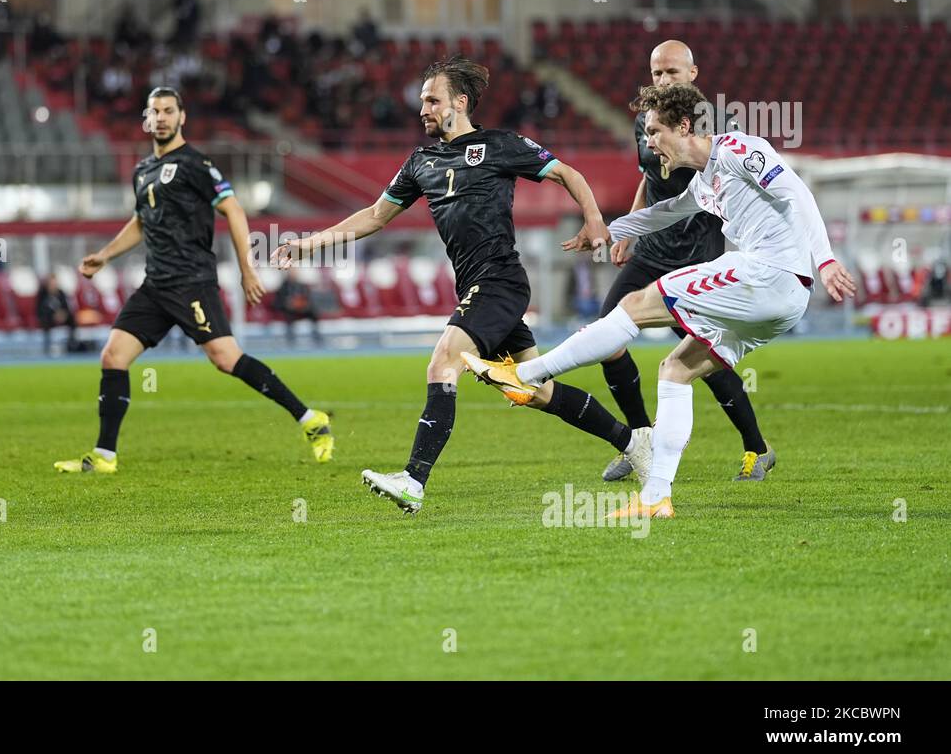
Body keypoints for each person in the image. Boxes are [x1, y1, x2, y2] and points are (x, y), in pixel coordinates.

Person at [463, 82, 856, 518]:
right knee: (675, 371)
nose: (648, 143)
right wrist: (608, 230)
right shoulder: (703, 184)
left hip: (772, 273)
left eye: (653, 132)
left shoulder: (739, 150)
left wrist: (826, 260)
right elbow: (663, 213)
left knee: (633, 306)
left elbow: (798, 194)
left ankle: (527, 375)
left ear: (683, 126)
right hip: (778, 302)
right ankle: (656, 498)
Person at [273, 56, 647, 515]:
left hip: (500, 281)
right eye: (421, 101)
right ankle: (633, 443)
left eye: (433, 100)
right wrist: (311, 243)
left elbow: (569, 173)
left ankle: (413, 479)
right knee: (530, 390)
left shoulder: (499, 146)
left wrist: (593, 219)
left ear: (460, 103)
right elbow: (374, 217)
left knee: (443, 359)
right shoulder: (421, 162)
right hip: (474, 285)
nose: (423, 109)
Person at [54, 87, 333, 475]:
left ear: (182, 117)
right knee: (113, 356)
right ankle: (105, 456)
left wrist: (246, 267)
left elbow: (233, 210)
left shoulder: (196, 165)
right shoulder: (142, 170)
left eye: (169, 110)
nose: (162, 117)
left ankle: (310, 419)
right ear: (147, 119)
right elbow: (141, 221)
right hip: (156, 285)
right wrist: (104, 255)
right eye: (155, 111)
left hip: (192, 282)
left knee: (226, 359)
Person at [600, 39, 773, 482]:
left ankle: (757, 448)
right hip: (653, 251)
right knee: (608, 335)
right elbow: (647, 177)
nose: (662, 80)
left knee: (701, 357)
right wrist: (631, 231)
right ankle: (640, 439)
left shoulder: (717, 124)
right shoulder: (646, 120)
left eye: (671, 73)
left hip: (696, 256)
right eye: (656, 73)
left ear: (693, 75)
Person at [274, 267, 321, 346]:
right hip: (289, 311)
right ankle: (291, 340)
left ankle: (316, 336)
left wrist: (303, 305)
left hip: (301, 310)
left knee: (313, 312)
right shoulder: (283, 287)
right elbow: (277, 303)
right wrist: (288, 304)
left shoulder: (301, 286)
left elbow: (308, 299)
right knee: (288, 316)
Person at [36, 274, 72, 356]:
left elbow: (66, 307)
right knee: (45, 320)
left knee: (72, 318)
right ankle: (47, 346)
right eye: (52, 283)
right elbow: (40, 309)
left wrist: (63, 314)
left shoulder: (61, 293)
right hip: (49, 318)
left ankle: (72, 343)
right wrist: (53, 315)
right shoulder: (42, 294)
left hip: (61, 317)